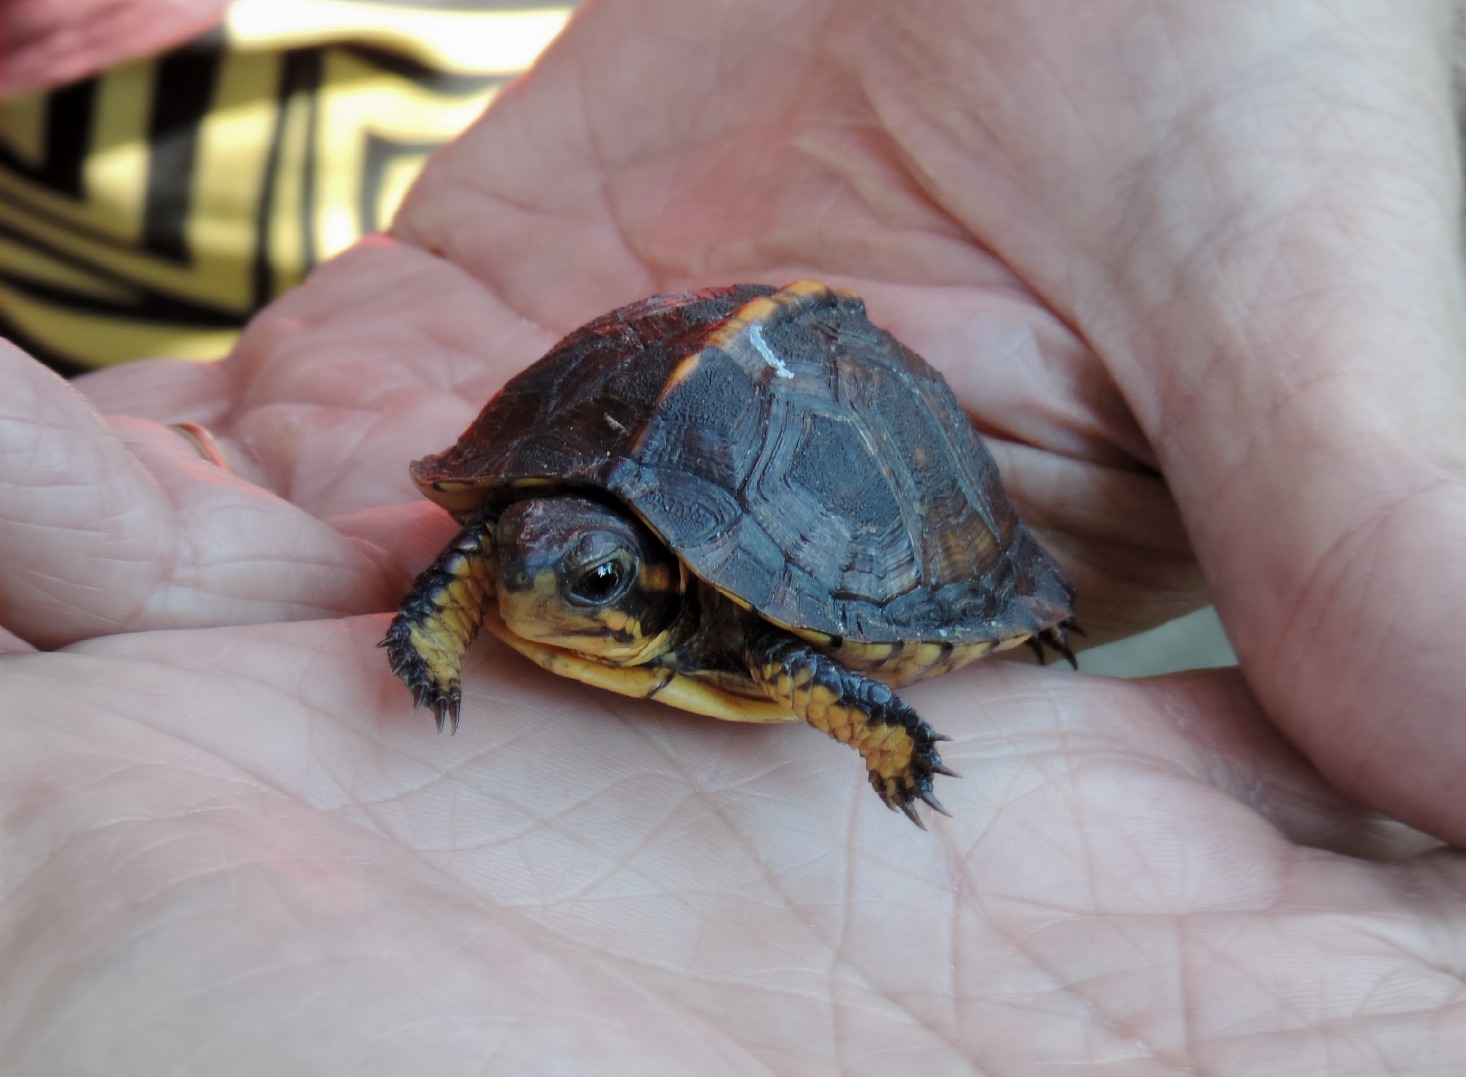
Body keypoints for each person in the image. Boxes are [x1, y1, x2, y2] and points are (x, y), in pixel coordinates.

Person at [2, 0, 1462, 1071]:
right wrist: (437, 637)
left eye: (578, 578)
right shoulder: (513, 552)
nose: (530, 582)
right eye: (526, 560)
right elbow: (475, 556)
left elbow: (856, 685)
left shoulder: (755, 632)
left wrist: (893, 740)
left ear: (641, 589)